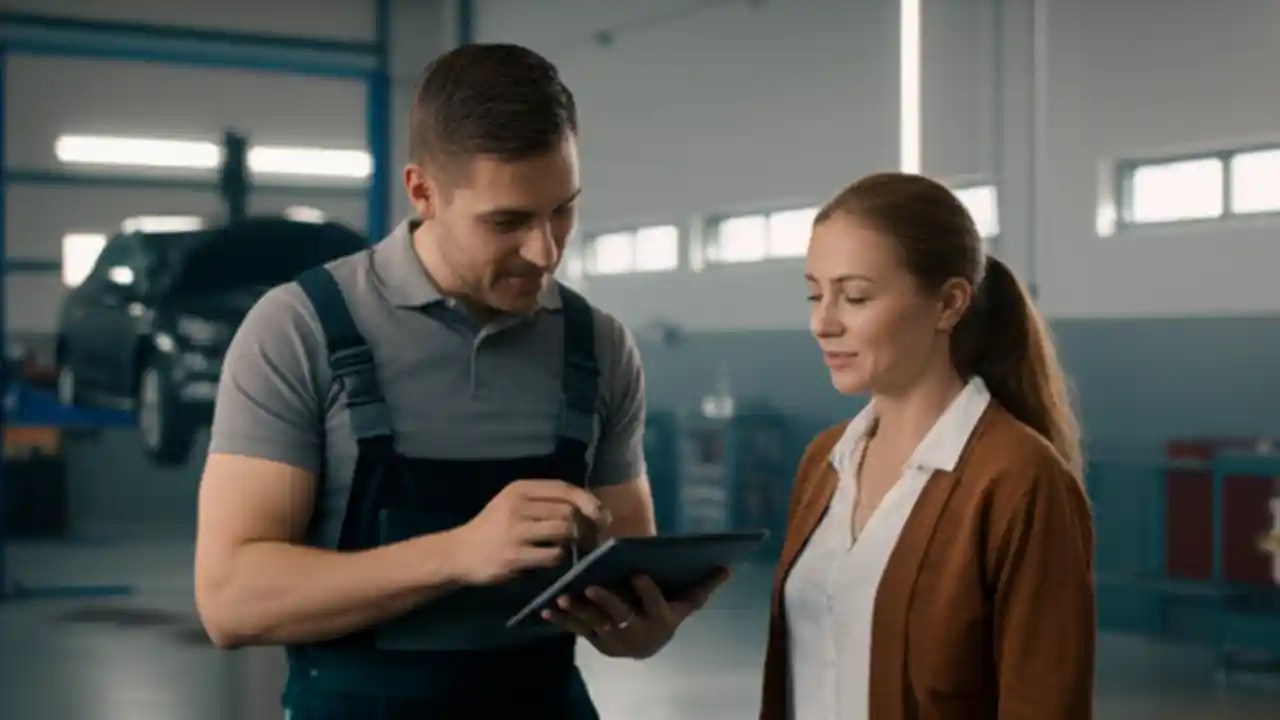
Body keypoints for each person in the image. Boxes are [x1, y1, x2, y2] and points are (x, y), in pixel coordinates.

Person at [193, 43, 726, 719]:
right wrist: (457, 554)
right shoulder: (298, 332)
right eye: (507, 222)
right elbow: (230, 601)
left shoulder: (598, 347)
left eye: (562, 209)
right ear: (423, 191)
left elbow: (624, 582)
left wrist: (642, 626)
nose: (547, 250)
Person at [759, 172, 1096, 719]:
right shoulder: (825, 461)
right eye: (815, 294)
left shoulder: (1019, 480)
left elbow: (1046, 704)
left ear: (949, 304)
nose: (823, 322)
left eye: (856, 296)